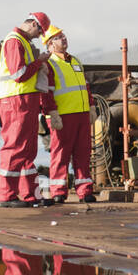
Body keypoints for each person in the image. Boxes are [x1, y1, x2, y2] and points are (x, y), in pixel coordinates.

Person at [0, 13, 55, 208]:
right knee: (15, 148)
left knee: (28, 150)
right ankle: (7, 195)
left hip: (24, 101)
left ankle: (31, 194)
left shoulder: (22, 41)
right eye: (39, 31)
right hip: (16, 101)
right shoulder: (14, 41)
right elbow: (19, 74)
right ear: (32, 23)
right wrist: (39, 62)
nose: (39, 35)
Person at [42, 26, 95, 203]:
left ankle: (85, 191)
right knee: (60, 154)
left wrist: (92, 107)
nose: (63, 39)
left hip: (81, 114)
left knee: (83, 153)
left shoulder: (75, 61)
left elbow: (85, 87)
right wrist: (52, 113)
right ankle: (58, 191)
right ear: (49, 45)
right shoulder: (49, 63)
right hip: (62, 116)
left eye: (63, 36)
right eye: (58, 38)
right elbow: (46, 92)